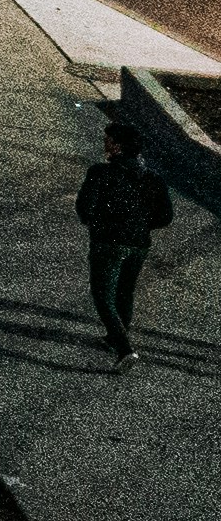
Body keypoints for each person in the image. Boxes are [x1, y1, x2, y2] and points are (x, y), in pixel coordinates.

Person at [80, 105, 178, 366]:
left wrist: (101, 225)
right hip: (138, 243)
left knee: (103, 295)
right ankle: (115, 338)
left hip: (108, 242)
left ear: (117, 147)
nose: (104, 143)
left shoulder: (100, 172)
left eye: (108, 141)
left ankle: (124, 349)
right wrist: (140, 226)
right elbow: (165, 217)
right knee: (125, 292)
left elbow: (84, 209)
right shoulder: (154, 179)